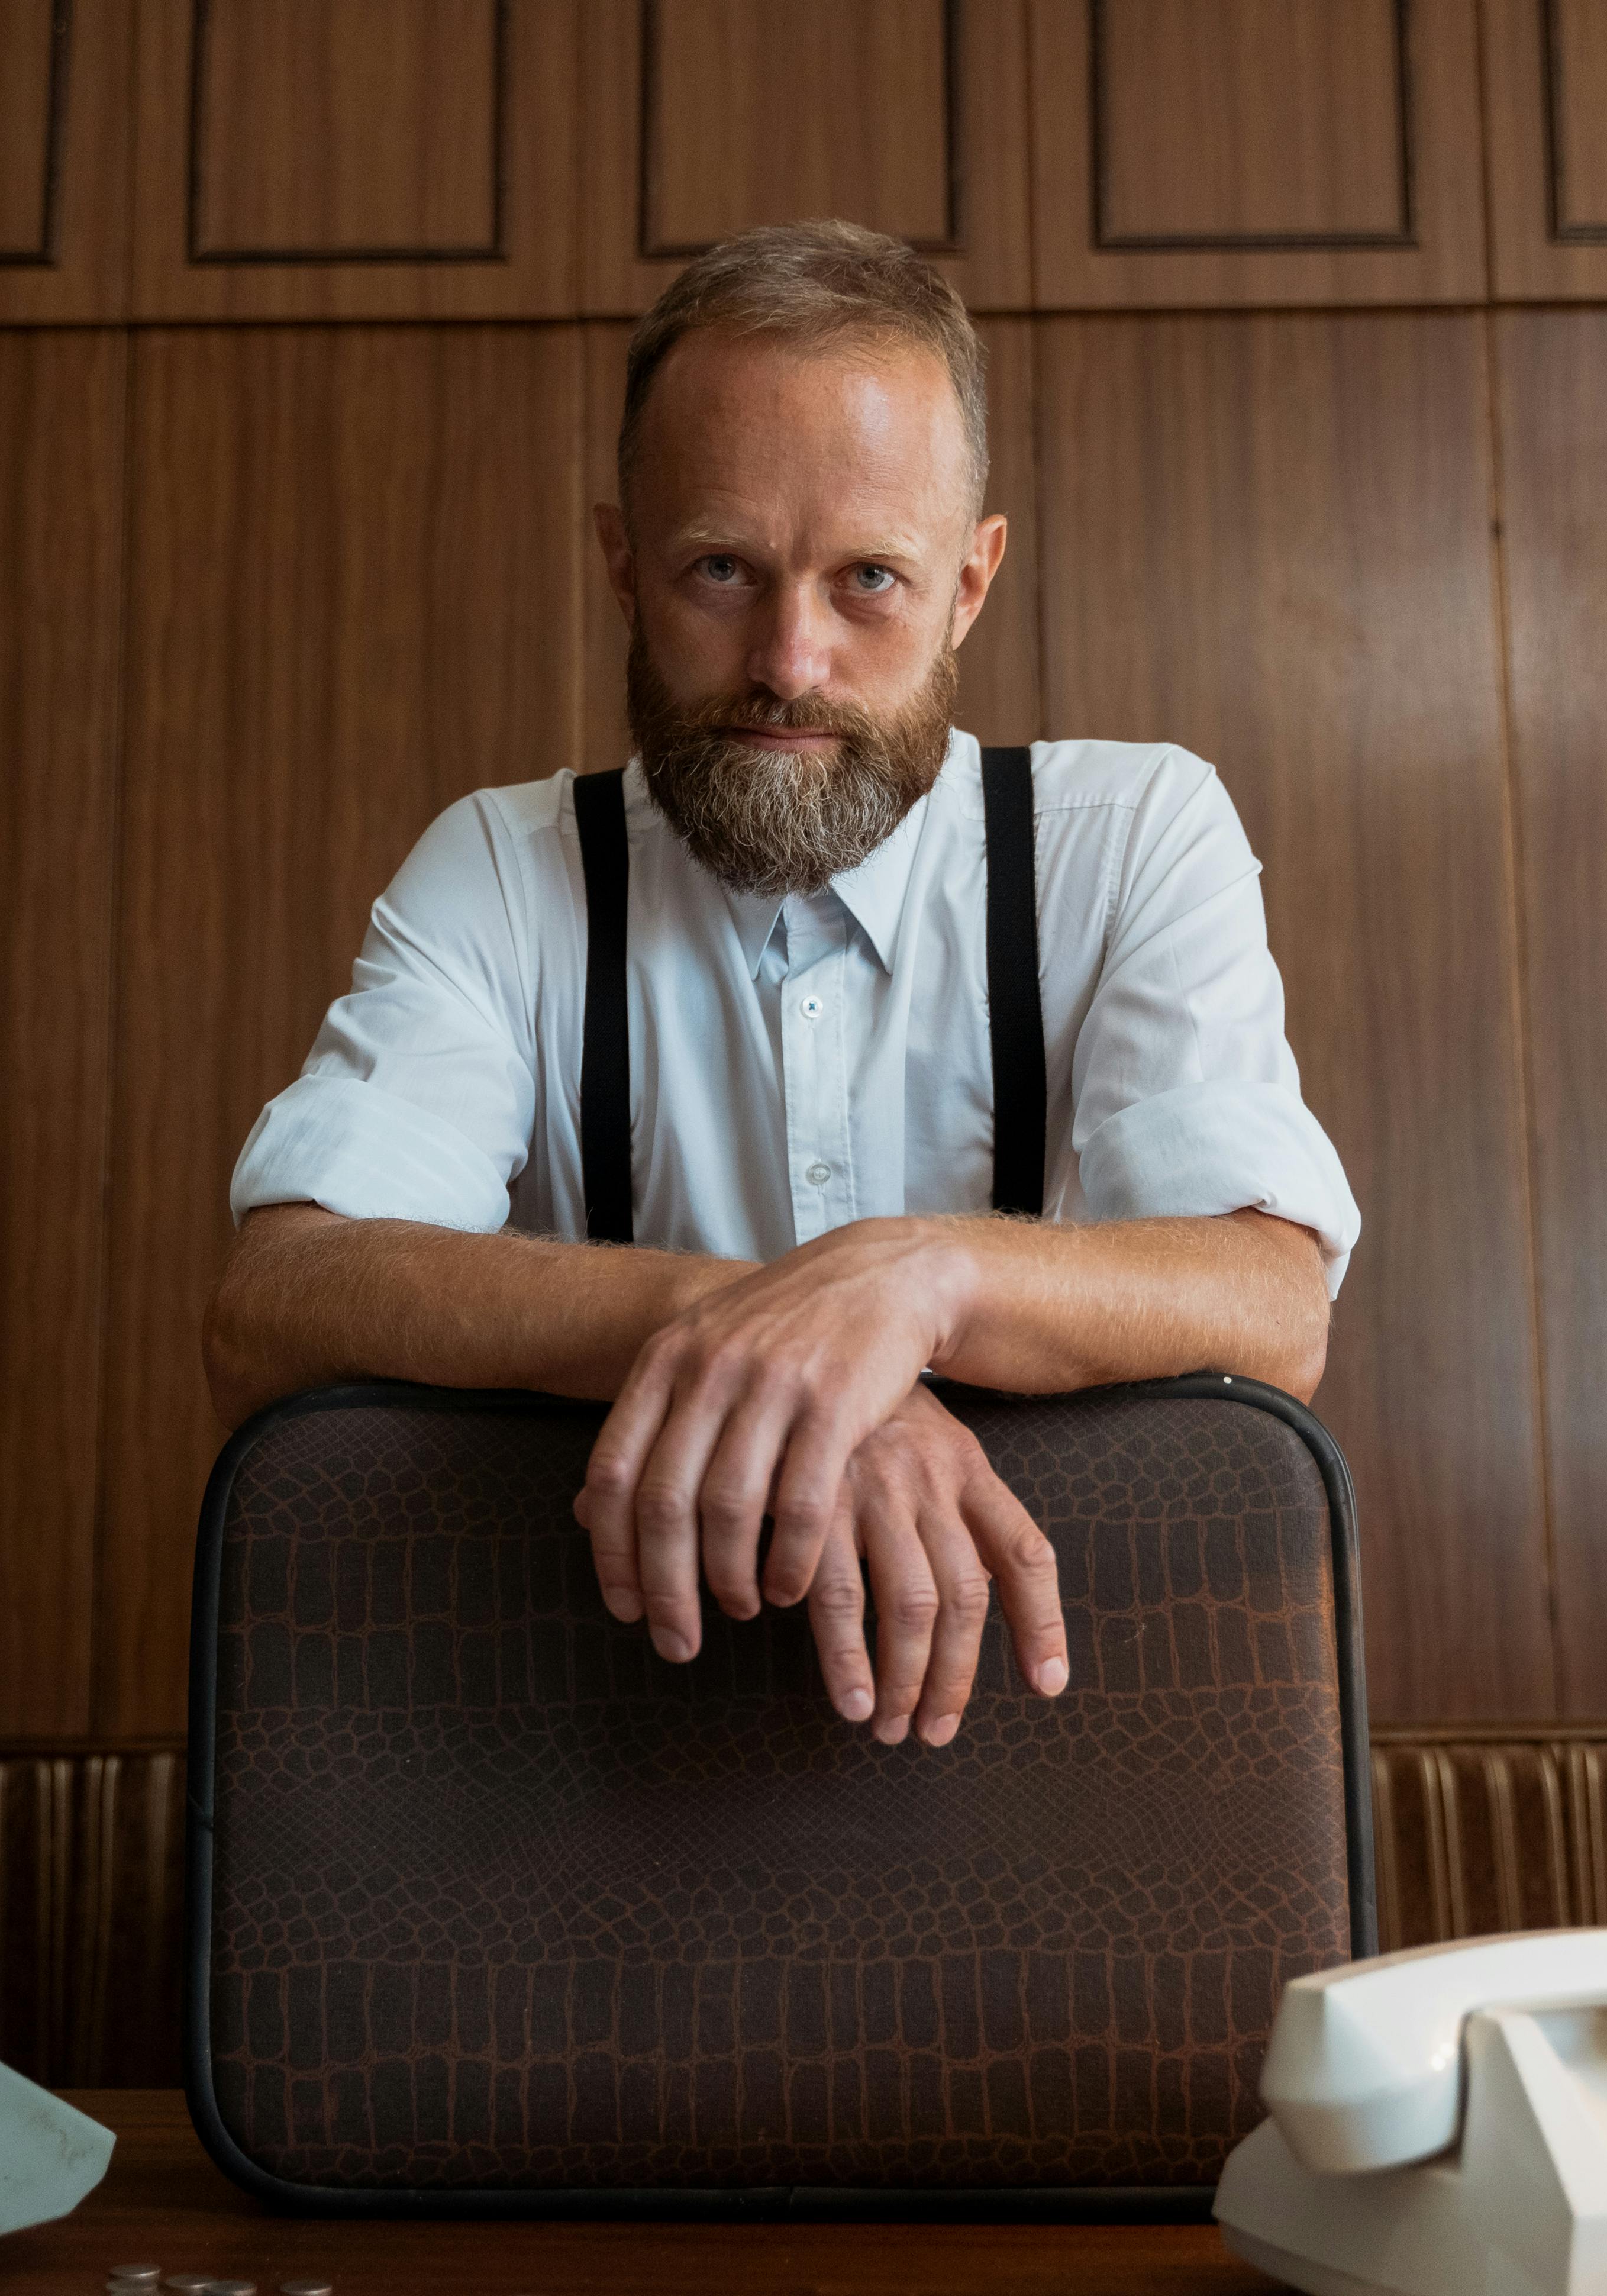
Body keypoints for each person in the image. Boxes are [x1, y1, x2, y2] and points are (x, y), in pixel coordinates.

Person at [206, 220, 1358, 1754]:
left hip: (1059, 1736)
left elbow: (1267, 1306)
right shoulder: (501, 867)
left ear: (969, 580)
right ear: (624, 566)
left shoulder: (1132, 834)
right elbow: (280, 1299)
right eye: (720, 570)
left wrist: (914, 1280)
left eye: (866, 580)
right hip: (574, 1750)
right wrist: (765, 1334)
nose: (790, 659)